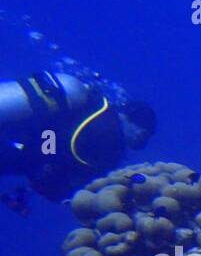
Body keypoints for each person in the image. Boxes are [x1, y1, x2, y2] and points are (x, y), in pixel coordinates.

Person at [0, 69, 156, 201]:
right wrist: (47, 158)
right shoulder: (107, 133)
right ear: (130, 120)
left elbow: (52, 129)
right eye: (142, 137)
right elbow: (52, 133)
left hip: (19, 135)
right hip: (20, 144)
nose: (137, 144)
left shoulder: (95, 109)